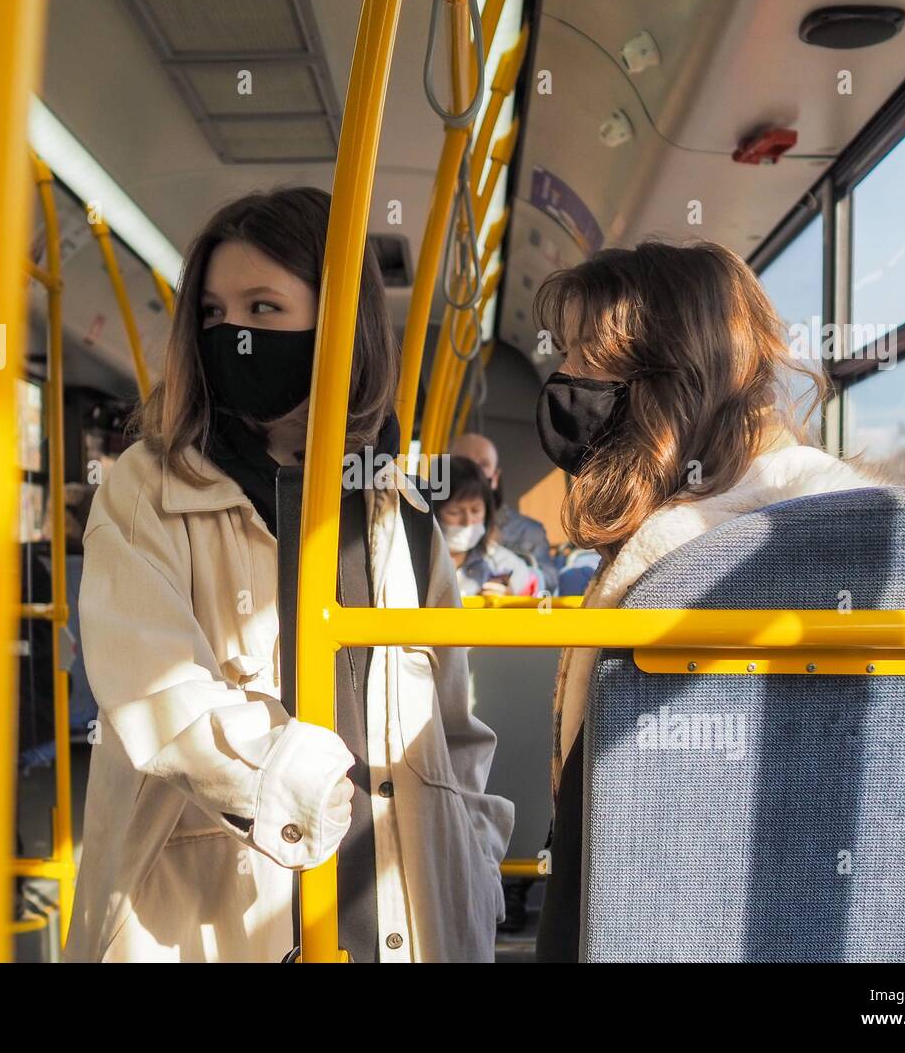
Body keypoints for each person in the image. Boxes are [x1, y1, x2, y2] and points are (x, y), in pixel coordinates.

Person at [530, 240, 905, 963]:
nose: (563, 378)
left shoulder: (685, 570)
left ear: (666, 378)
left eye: (588, 354)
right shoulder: (882, 562)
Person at [65, 187, 513, 962]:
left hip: (390, 906)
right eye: (213, 315)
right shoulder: (147, 487)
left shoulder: (396, 508)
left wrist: (473, 855)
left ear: (337, 323)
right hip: (211, 909)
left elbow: (453, 724)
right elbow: (155, 689)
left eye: (263, 309)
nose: (232, 334)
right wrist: (296, 779)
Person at [450, 432, 558, 591]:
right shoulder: (426, 526)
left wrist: (517, 582)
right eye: (464, 464)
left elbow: (549, 584)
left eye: (483, 466)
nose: (474, 473)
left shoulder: (527, 531)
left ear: (495, 477)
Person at [434, 456, 538, 597]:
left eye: (476, 510)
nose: (467, 521)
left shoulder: (505, 565)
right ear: (434, 512)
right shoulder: (414, 562)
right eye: (455, 512)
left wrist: (510, 602)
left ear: (487, 511)